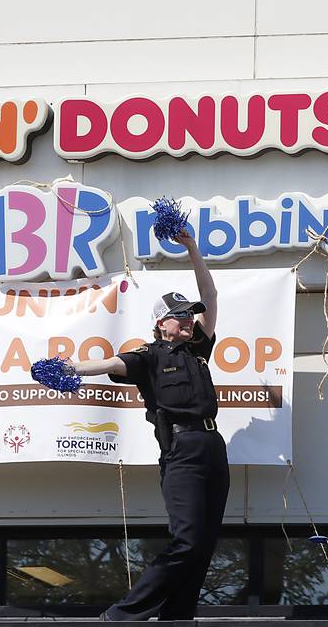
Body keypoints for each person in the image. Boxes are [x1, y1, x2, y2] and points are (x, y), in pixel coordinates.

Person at [70, 228, 228, 621]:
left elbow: (210, 296)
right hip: (182, 452)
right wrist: (71, 367)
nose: (189, 319)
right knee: (187, 540)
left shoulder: (198, 347)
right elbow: (109, 364)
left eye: (189, 315)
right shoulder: (149, 356)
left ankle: (178, 616)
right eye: (180, 316)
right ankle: (120, 616)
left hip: (214, 448)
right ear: (161, 324)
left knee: (204, 544)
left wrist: (193, 247)